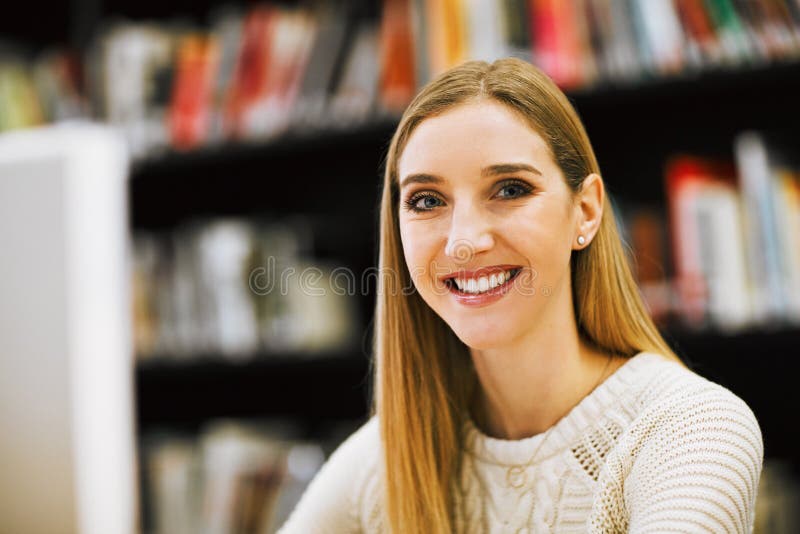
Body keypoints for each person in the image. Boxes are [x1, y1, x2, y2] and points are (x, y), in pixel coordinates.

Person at [277, 58, 763, 533]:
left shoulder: (690, 430)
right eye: (427, 200)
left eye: (509, 189)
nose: (464, 241)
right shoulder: (393, 453)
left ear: (586, 211)